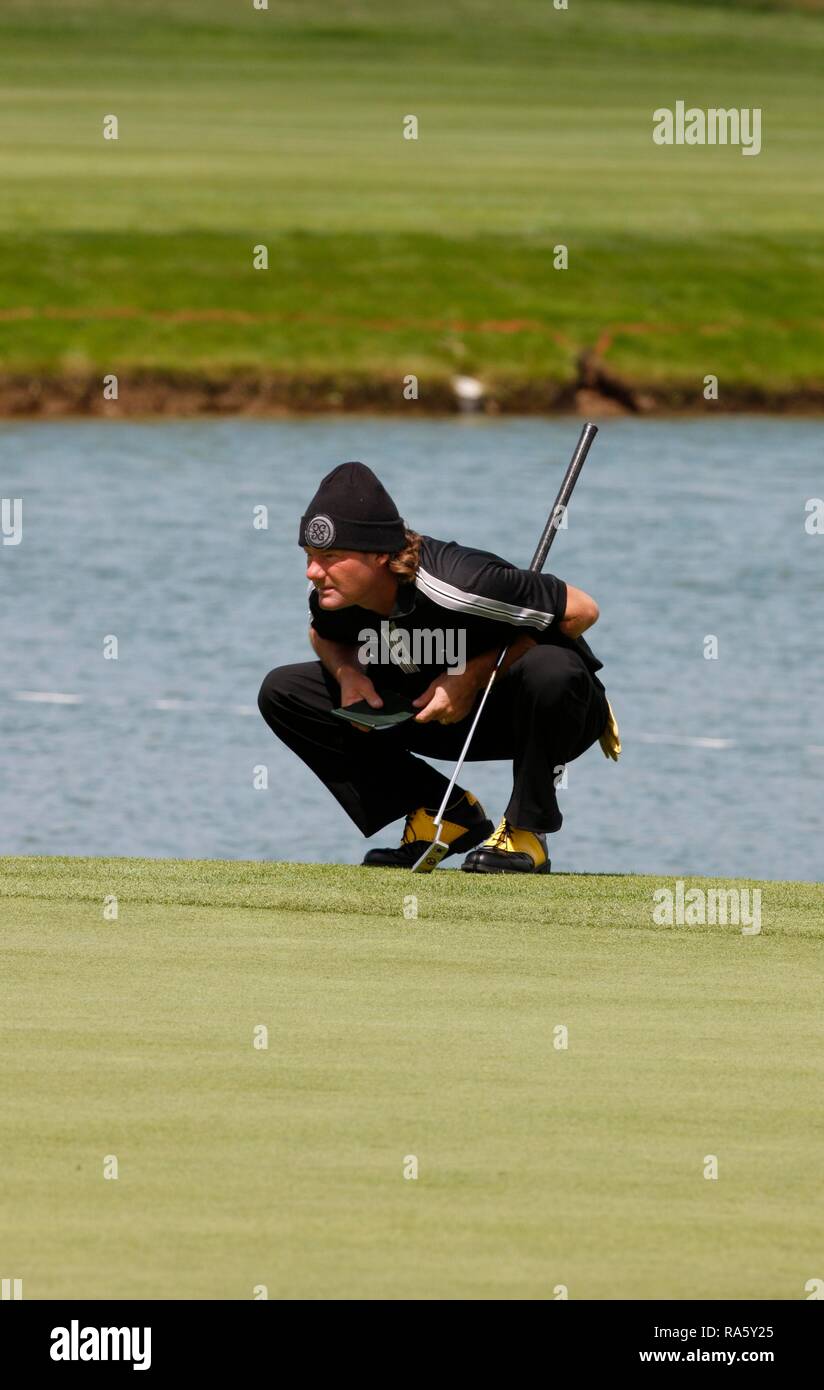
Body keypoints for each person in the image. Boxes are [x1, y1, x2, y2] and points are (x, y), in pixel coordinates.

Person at [258, 461, 620, 873]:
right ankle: (442, 814)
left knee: (553, 668)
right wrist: (347, 674)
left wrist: (472, 675)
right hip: (432, 712)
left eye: (329, 557)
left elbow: (582, 611)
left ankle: (524, 832)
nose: (312, 571)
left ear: (379, 554)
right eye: (308, 556)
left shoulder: (462, 582)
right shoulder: (333, 591)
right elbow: (322, 634)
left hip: (542, 714)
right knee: (284, 691)